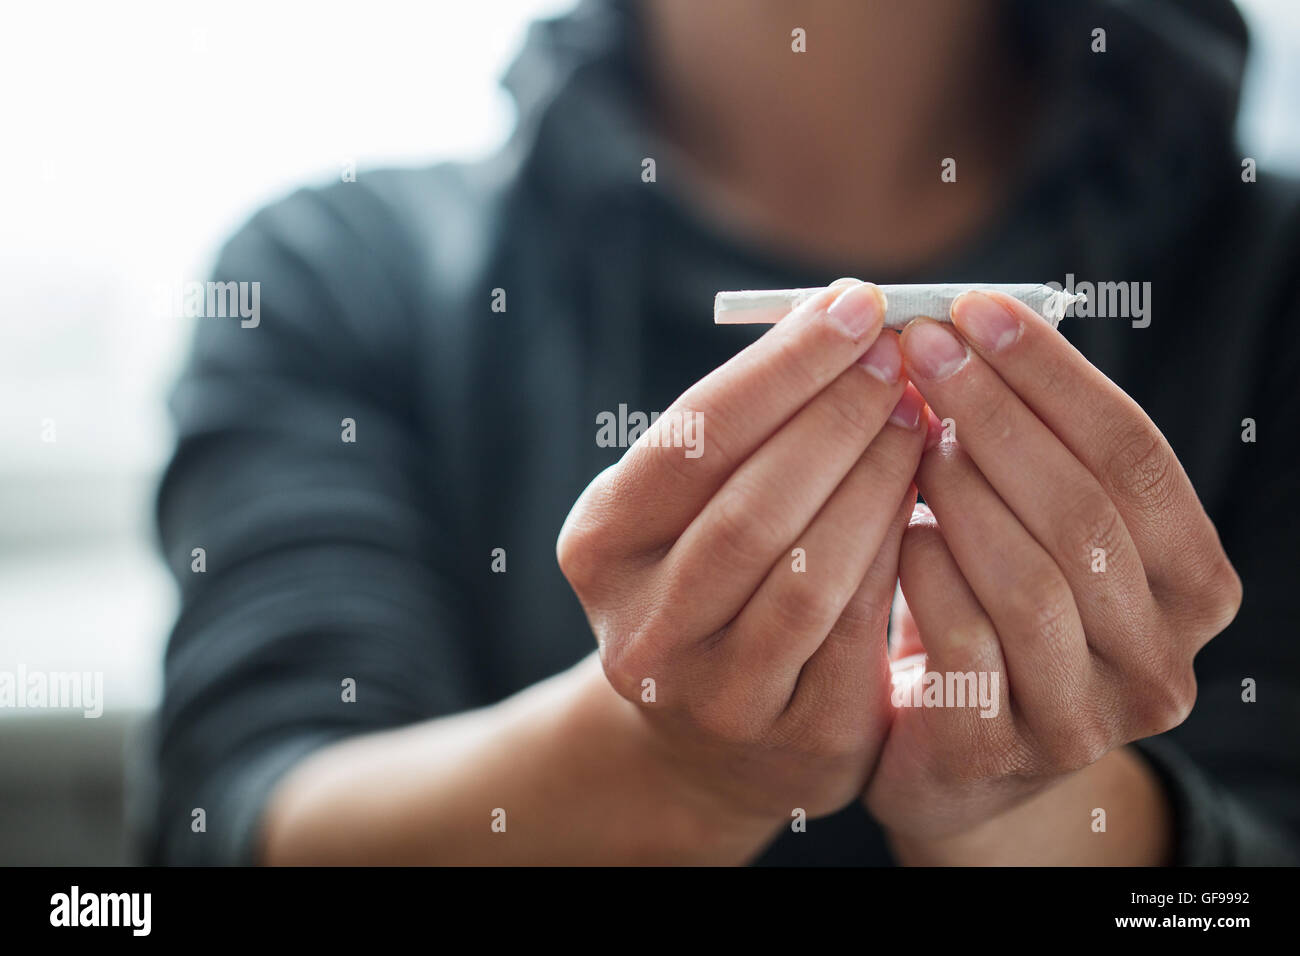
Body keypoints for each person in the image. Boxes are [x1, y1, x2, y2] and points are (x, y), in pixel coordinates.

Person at [147, 0, 1300, 865]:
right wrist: (667, 769)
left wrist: (1037, 803)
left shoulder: (1270, 285)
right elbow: (239, 815)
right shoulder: (340, 272)